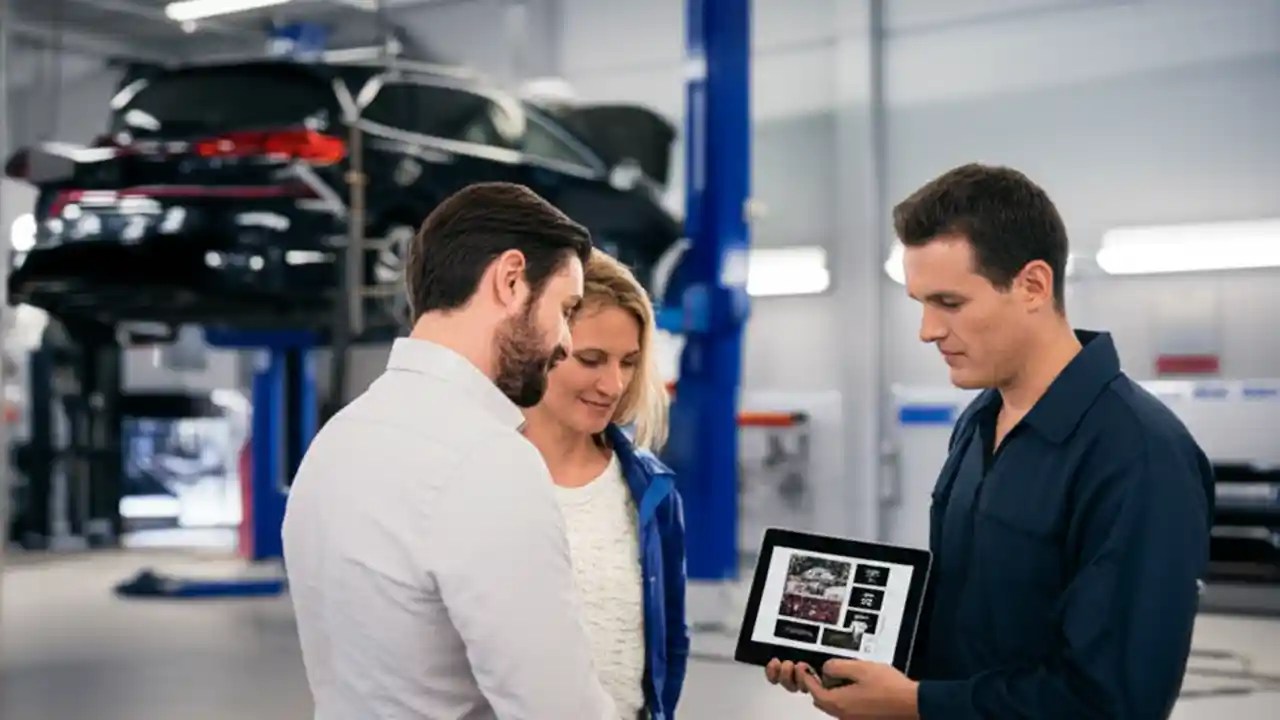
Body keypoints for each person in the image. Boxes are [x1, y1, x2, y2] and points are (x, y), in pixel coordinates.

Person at [766, 163, 1213, 719]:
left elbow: (1116, 701)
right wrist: (845, 654)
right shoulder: (979, 422)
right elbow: (971, 620)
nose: (927, 330)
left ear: (1032, 286)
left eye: (949, 303)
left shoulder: (1139, 455)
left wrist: (916, 704)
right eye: (921, 303)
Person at [282, 182, 617, 719]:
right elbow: (557, 709)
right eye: (566, 307)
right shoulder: (488, 460)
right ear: (510, 280)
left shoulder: (336, 442)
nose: (567, 343)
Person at [521, 249, 690, 720]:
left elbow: (670, 644)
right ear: (538, 346)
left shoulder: (653, 490)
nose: (613, 385)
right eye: (592, 359)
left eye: (629, 363)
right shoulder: (478, 479)